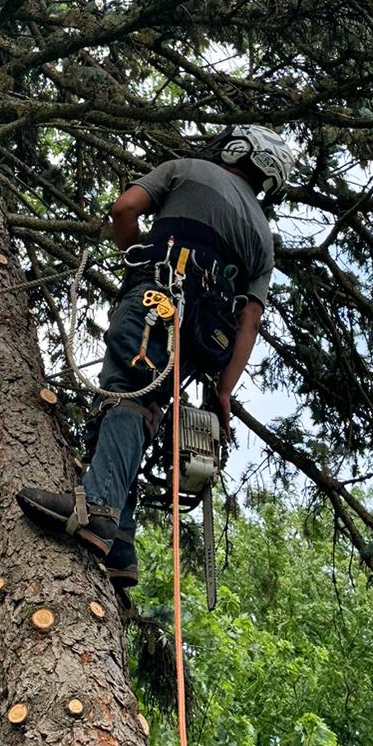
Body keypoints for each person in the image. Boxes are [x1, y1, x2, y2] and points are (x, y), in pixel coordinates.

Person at [17, 126, 292, 589]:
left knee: (125, 394)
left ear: (235, 149)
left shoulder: (187, 170)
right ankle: (120, 546)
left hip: (156, 300)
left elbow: (124, 209)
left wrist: (137, 257)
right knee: (140, 405)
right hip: (205, 340)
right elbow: (250, 320)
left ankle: (99, 510)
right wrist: (224, 390)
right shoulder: (263, 237)